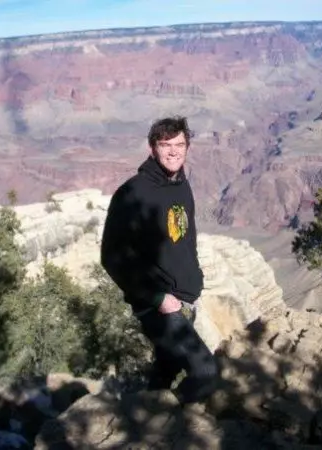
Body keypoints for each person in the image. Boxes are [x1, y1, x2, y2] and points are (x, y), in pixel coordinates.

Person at [101, 116, 219, 404]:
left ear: (187, 147)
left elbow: (185, 237)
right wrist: (157, 298)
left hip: (184, 298)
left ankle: (146, 416)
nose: (174, 151)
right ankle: (175, 429)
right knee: (205, 372)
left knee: (167, 366)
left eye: (180, 144)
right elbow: (111, 256)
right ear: (152, 147)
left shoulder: (181, 185)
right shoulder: (133, 192)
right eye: (165, 145)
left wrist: (195, 277)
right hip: (158, 306)